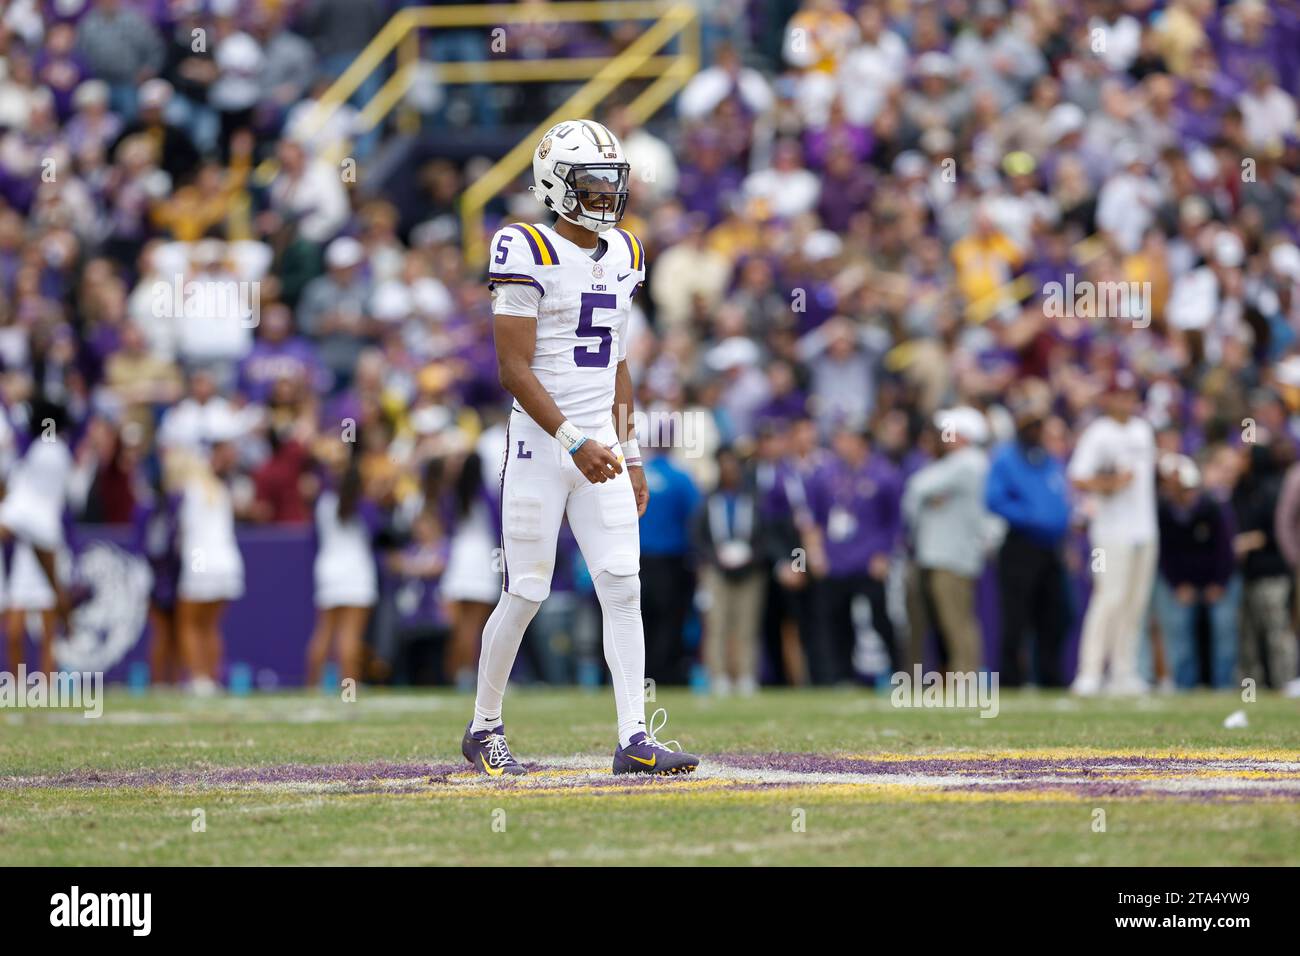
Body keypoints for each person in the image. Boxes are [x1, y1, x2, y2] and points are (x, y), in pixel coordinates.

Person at [463, 119, 700, 776]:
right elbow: (513, 368)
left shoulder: (626, 251)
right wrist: (573, 442)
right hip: (543, 446)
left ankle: (633, 739)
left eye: (610, 181)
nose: (604, 193)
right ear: (555, 185)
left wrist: (632, 449)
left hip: (600, 444)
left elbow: (618, 362)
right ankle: (484, 726)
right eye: (591, 182)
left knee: (623, 586)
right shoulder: (522, 245)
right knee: (527, 590)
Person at [1067, 370, 1158, 695]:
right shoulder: (1098, 433)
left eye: (1130, 395)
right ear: (1108, 398)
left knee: (1135, 603)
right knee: (1108, 598)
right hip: (1109, 532)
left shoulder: (1143, 430)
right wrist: (1110, 484)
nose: (1125, 401)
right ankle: (1089, 671)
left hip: (1144, 528)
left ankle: (1124, 671)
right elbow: (1077, 478)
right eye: (1119, 395)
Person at [984, 387, 1071, 686]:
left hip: (1050, 548)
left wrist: (1058, 524)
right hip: (1020, 546)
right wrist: (1031, 518)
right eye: (1030, 424)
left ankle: (1049, 676)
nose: (1035, 430)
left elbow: (1060, 499)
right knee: (1016, 618)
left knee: (1056, 614)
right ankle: (1010, 679)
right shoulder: (1005, 458)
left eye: (1039, 424)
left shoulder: (1047, 458)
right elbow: (993, 499)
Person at [804, 422, 903, 684]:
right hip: (835, 559)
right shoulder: (823, 475)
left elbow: (895, 521)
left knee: (881, 618)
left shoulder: (884, 474)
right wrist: (814, 553)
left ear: (862, 442)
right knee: (835, 621)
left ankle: (899, 672)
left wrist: (885, 555)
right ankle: (841, 676)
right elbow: (812, 519)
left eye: (845, 438)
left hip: (869, 559)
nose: (839, 444)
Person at [902, 407, 992, 674]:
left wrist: (929, 498)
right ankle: (959, 674)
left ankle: (966, 675)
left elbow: (917, 487)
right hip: (944, 554)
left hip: (953, 556)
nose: (941, 438)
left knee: (957, 620)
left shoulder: (968, 462)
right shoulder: (959, 464)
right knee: (949, 620)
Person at [1152, 454, 1236, 689]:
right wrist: (1177, 584)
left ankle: (1223, 685)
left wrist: (1219, 583)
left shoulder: (1213, 508)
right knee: (1178, 630)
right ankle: (1183, 685)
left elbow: (1224, 549)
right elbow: (1165, 553)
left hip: (1217, 579)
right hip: (1182, 581)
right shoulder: (1164, 512)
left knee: (1224, 630)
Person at [173, 423, 245, 696]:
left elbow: (183, 530)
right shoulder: (220, 489)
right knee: (210, 625)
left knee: (190, 623)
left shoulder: (191, 490)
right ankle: (210, 679)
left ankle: (200, 679)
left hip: (200, 561)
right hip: (226, 561)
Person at [694, 446, 767, 695]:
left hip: (750, 571)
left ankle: (746, 674)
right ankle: (718, 675)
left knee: (747, 624)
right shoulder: (709, 500)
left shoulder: (753, 499)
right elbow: (697, 537)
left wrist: (751, 557)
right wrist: (715, 558)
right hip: (717, 571)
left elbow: (765, 535)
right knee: (717, 624)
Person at [306, 457, 377, 688]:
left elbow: (315, 539)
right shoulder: (364, 505)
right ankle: (348, 688)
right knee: (350, 635)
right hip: (357, 572)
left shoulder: (324, 502)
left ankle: (311, 686)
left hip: (329, 570)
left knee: (324, 632)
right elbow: (378, 533)